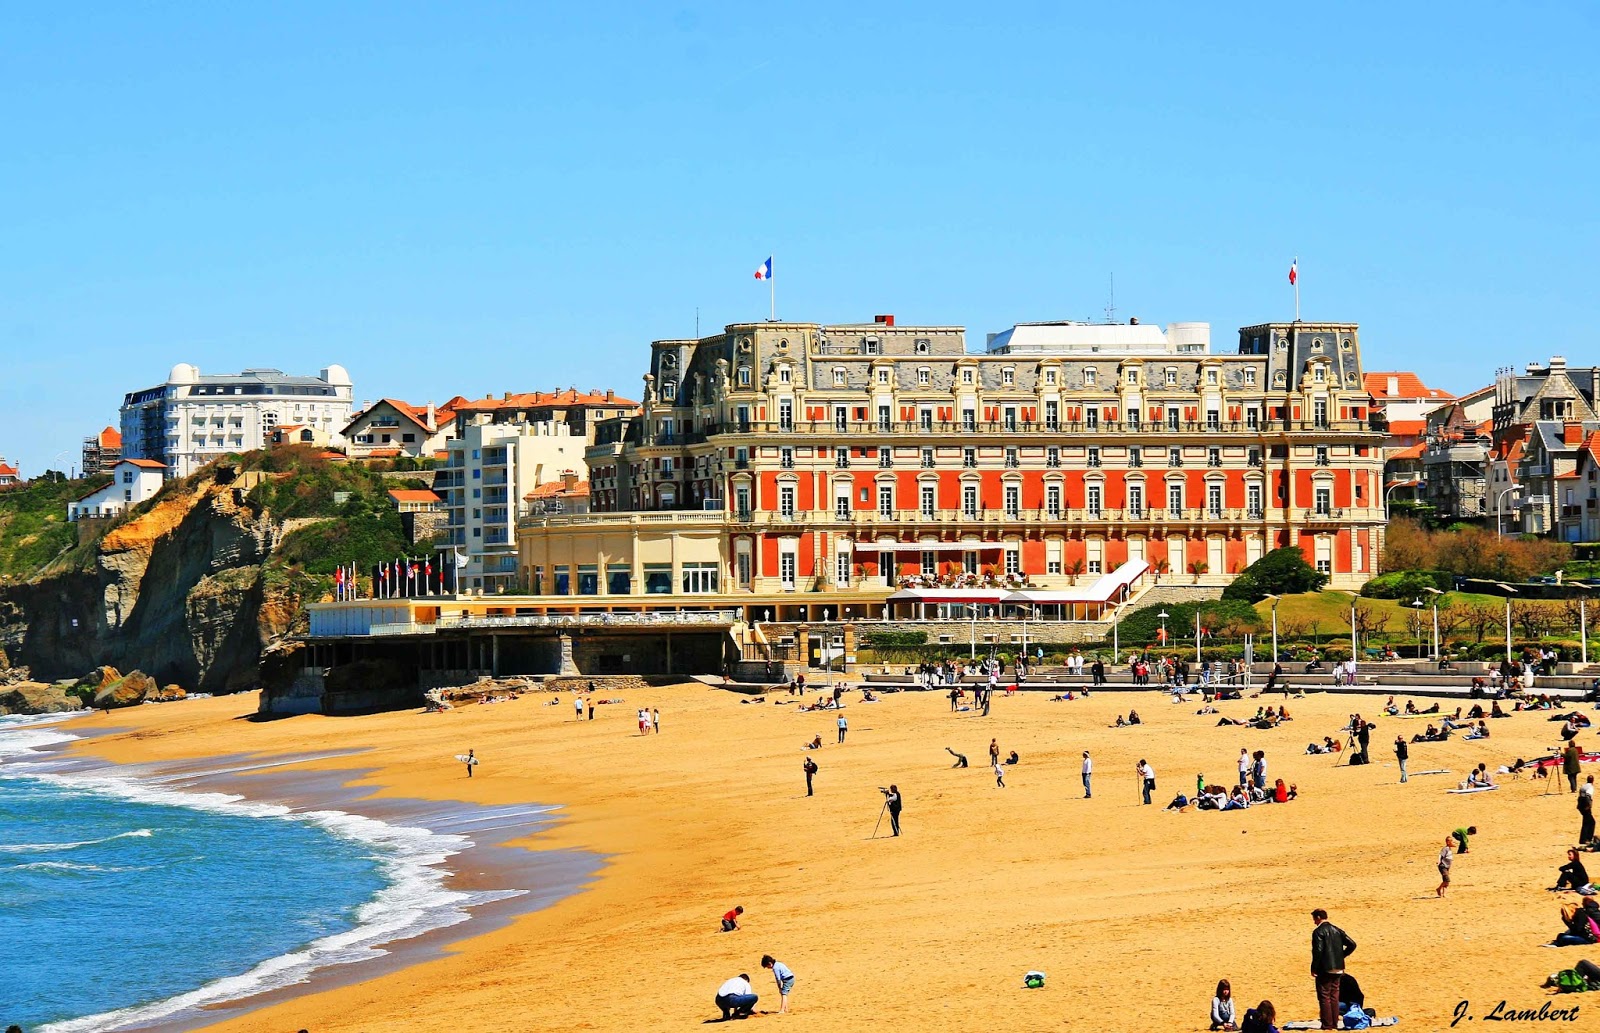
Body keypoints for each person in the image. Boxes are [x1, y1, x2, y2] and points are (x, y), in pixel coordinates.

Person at [1310, 909, 1356, 1030]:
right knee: (1334, 996)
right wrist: (1341, 956)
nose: (1314, 922)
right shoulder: (1337, 930)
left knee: (1324, 996)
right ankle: (1334, 1023)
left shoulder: (1318, 932)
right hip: (1339, 968)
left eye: (1315, 919)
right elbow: (1352, 944)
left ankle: (1327, 1024)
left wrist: (1314, 968)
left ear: (1319, 917)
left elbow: (1318, 951)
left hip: (1325, 969)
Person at [1582, 775, 1596, 845]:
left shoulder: (1583, 786)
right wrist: (1589, 805)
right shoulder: (1590, 787)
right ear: (1592, 780)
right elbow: (1588, 796)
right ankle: (1588, 838)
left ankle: (1583, 839)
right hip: (1586, 806)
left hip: (1581, 805)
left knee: (1586, 821)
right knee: (1591, 822)